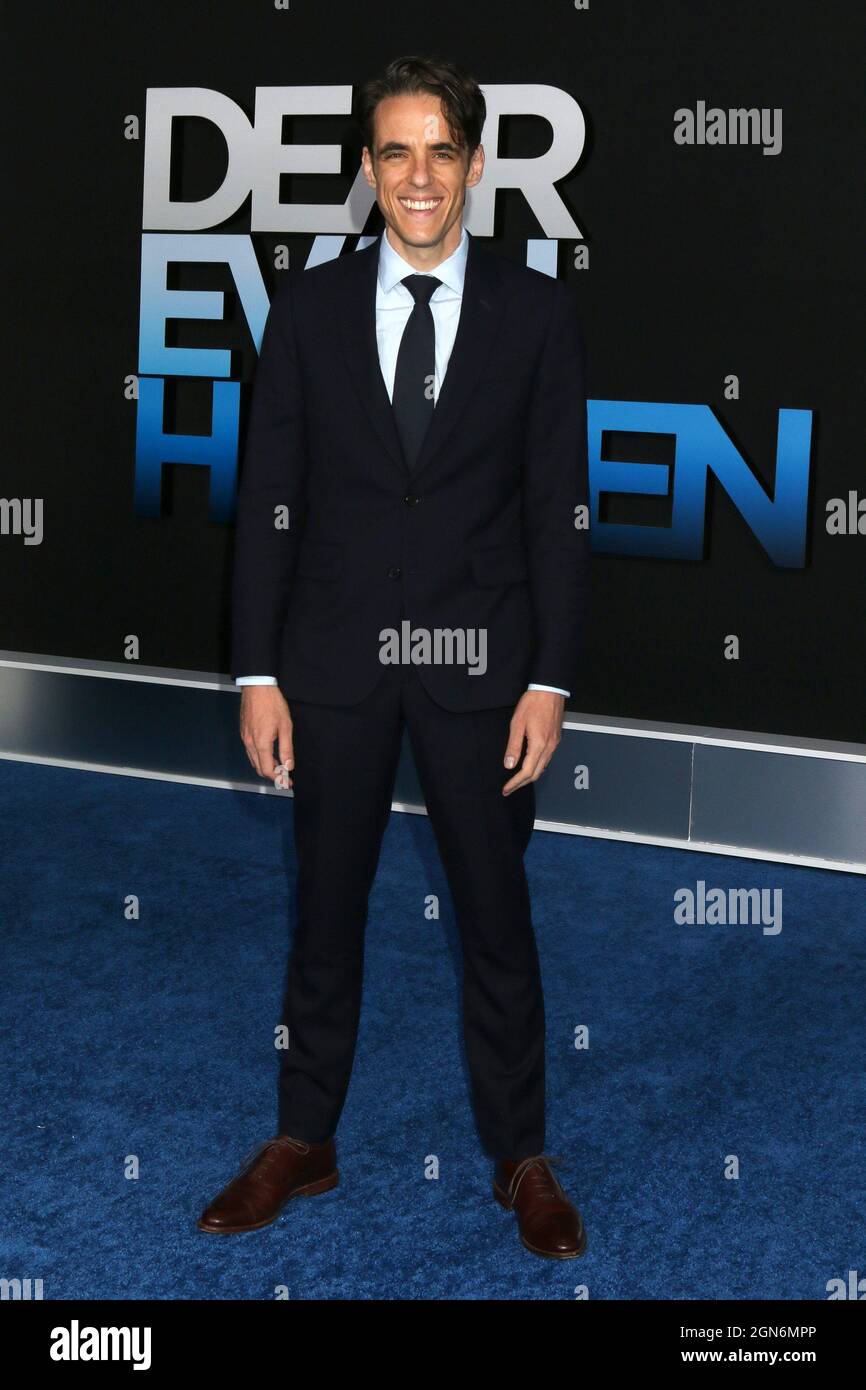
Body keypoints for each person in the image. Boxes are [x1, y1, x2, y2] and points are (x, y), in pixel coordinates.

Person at [198, 54, 590, 1260]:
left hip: (483, 669)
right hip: (330, 664)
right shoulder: (309, 308)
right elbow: (269, 497)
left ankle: (519, 1153)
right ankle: (302, 1140)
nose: (417, 175)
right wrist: (256, 672)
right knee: (323, 912)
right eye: (393, 152)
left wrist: (548, 679)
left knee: (493, 919)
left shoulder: (534, 311)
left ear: (474, 166)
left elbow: (554, 510)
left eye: (439, 151)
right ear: (368, 171)